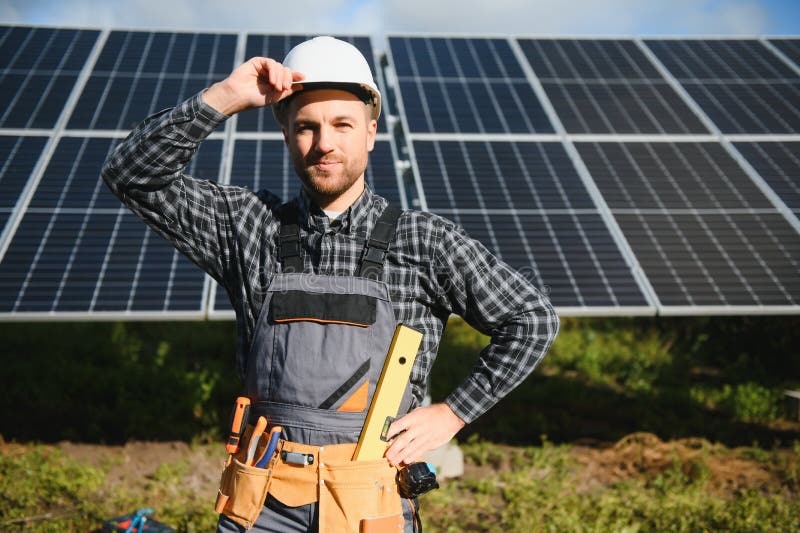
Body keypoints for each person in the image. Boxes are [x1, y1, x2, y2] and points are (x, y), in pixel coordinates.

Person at [102, 36, 559, 532]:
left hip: (370, 500)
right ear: (285, 131)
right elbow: (131, 174)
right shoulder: (249, 226)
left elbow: (531, 319)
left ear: (370, 133)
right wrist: (226, 97)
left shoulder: (423, 240)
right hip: (261, 499)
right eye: (306, 127)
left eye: (343, 125)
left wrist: (453, 413)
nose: (325, 144)